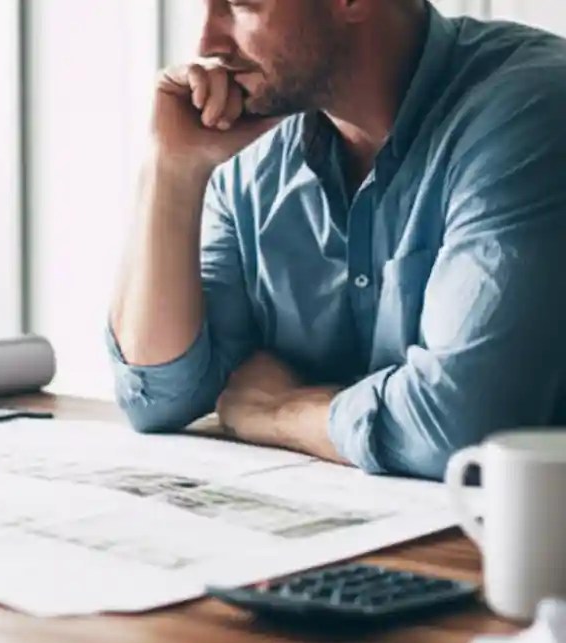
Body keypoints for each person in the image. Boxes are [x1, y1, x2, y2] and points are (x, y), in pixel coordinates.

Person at [108, 0, 566, 479]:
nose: (207, 45)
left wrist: (279, 412)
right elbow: (157, 394)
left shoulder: (531, 111)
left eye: (240, 5)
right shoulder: (250, 154)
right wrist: (173, 169)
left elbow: (463, 428)